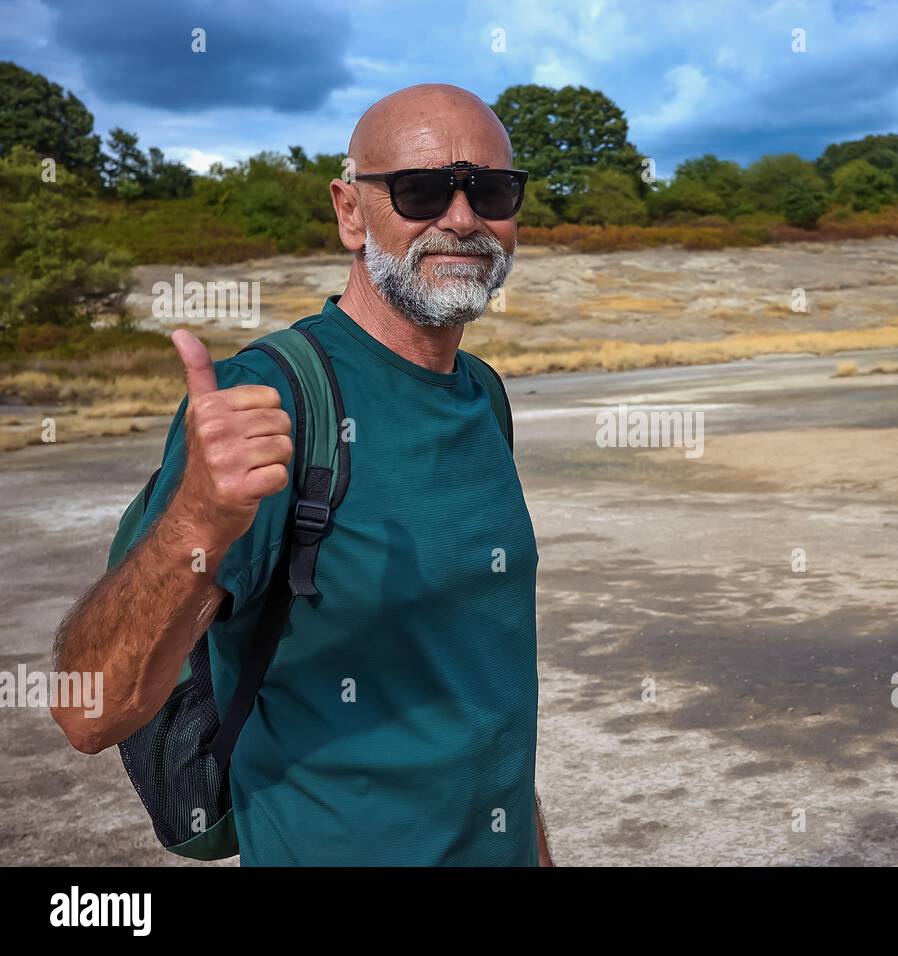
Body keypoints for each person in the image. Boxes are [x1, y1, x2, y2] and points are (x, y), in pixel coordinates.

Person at [51, 84, 552, 866]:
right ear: (351, 211)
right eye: (421, 190)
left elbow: (487, 690)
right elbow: (89, 714)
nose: (462, 220)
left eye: (490, 190)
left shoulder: (481, 393)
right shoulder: (274, 398)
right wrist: (196, 523)